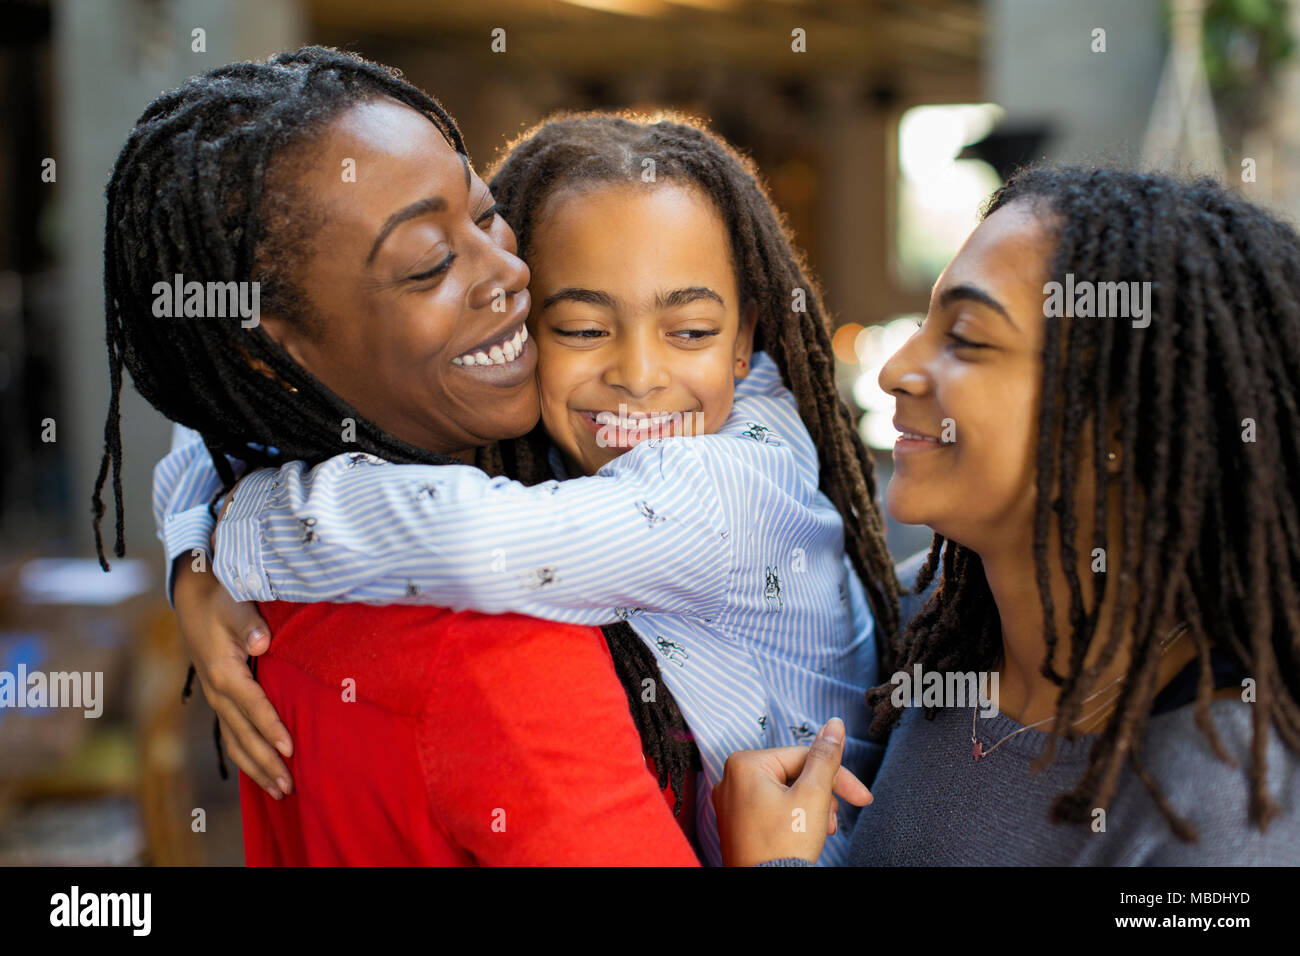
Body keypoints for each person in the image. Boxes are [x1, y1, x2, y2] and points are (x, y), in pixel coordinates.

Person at [155, 111, 903, 866]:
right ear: (516, 330)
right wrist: (191, 557)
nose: (639, 376)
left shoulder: (729, 487)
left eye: (691, 332)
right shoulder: (576, 433)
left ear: (744, 341)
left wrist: (236, 523)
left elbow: (470, 542)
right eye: (582, 329)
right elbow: (225, 418)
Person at [99, 46, 728, 865]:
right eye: (430, 264)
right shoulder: (499, 651)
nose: (509, 270)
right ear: (271, 359)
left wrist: (199, 551)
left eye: (486, 212)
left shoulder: (263, 591)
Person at [716, 166, 1300, 866]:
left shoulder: (1230, 811)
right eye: (926, 324)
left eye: (966, 338)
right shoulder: (916, 627)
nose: (894, 370)